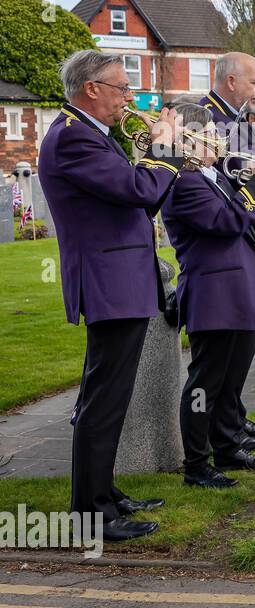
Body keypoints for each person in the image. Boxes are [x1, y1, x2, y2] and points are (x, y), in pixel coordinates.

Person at [39, 49, 185, 541]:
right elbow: (139, 190)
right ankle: (91, 513)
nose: (129, 97)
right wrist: (165, 149)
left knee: (108, 396)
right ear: (91, 89)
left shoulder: (88, 134)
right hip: (109, 282)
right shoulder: (73, 138)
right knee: (104, 399)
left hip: (121, 278)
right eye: (122, 88)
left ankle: (103, 494)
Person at [161, 103, 255, 484]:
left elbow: (248, 217)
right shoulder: (185, 181)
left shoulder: (211, 175)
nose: (220, 136)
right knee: (204, 384)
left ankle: (227, 449)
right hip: (215, 294)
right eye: (211, 130)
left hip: (238, 289)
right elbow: (227, 222)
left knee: (230, 381)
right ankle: (196, 464)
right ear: (190, 140)